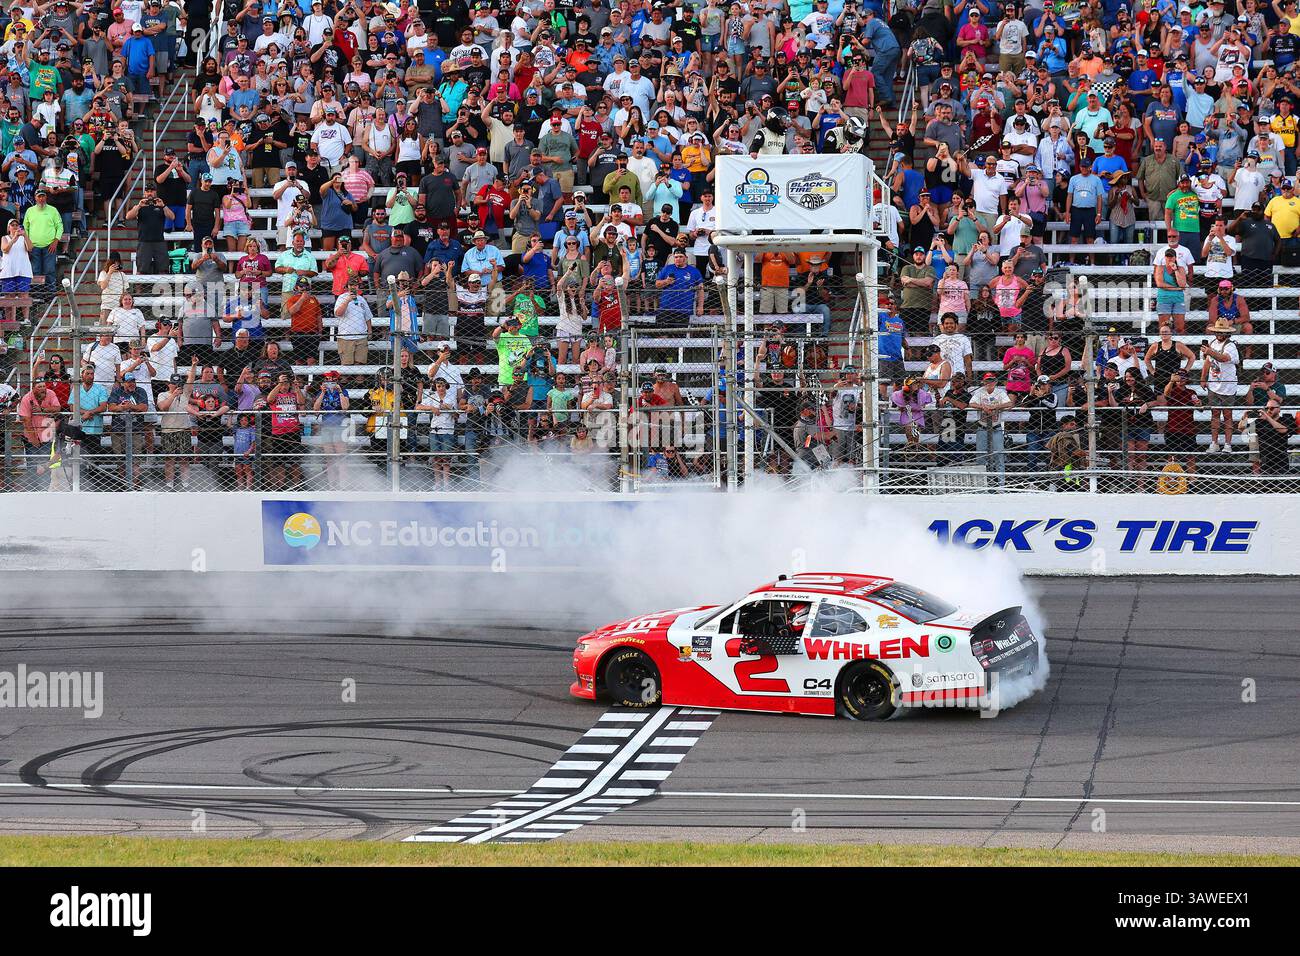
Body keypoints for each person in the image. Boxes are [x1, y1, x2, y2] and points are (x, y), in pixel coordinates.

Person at [1202, 319, 1240, 454]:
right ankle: (1214, 443)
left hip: (1228, 386)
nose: (1219, 333)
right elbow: (1207, 362)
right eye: (1217, 331)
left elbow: (1224, 358)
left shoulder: (1231, 346)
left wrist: (1210, 352)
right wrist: (1203, 378)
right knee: (1215, 415)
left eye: (1222, 331)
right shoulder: (1212, 344)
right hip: (1213, 384)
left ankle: (1228, 444)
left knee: (1228, 415)